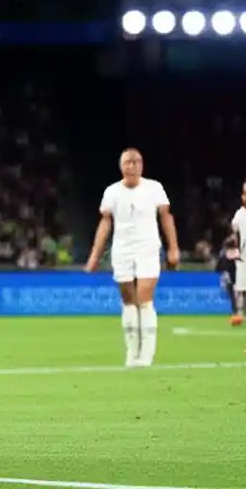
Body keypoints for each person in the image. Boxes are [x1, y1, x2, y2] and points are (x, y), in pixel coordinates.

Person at [85, 148, 180, 368]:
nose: (132, 165)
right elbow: (105, 223)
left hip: (148, 248)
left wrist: (173, 247)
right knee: (129, 302)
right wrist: (94, 256)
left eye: (136, 161)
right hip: (122, 249)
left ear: (142, 165)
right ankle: (132, 350)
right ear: (121, 166)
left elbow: (166, 217)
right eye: (127, 162)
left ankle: (147, 352)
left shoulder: (154, 188)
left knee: (144, 298)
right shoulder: (112, 192)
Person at [229, 183, 246, 326]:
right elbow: (233, 233)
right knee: (239, 287)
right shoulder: (239, 214)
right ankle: (239, 314)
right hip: (243, 258)